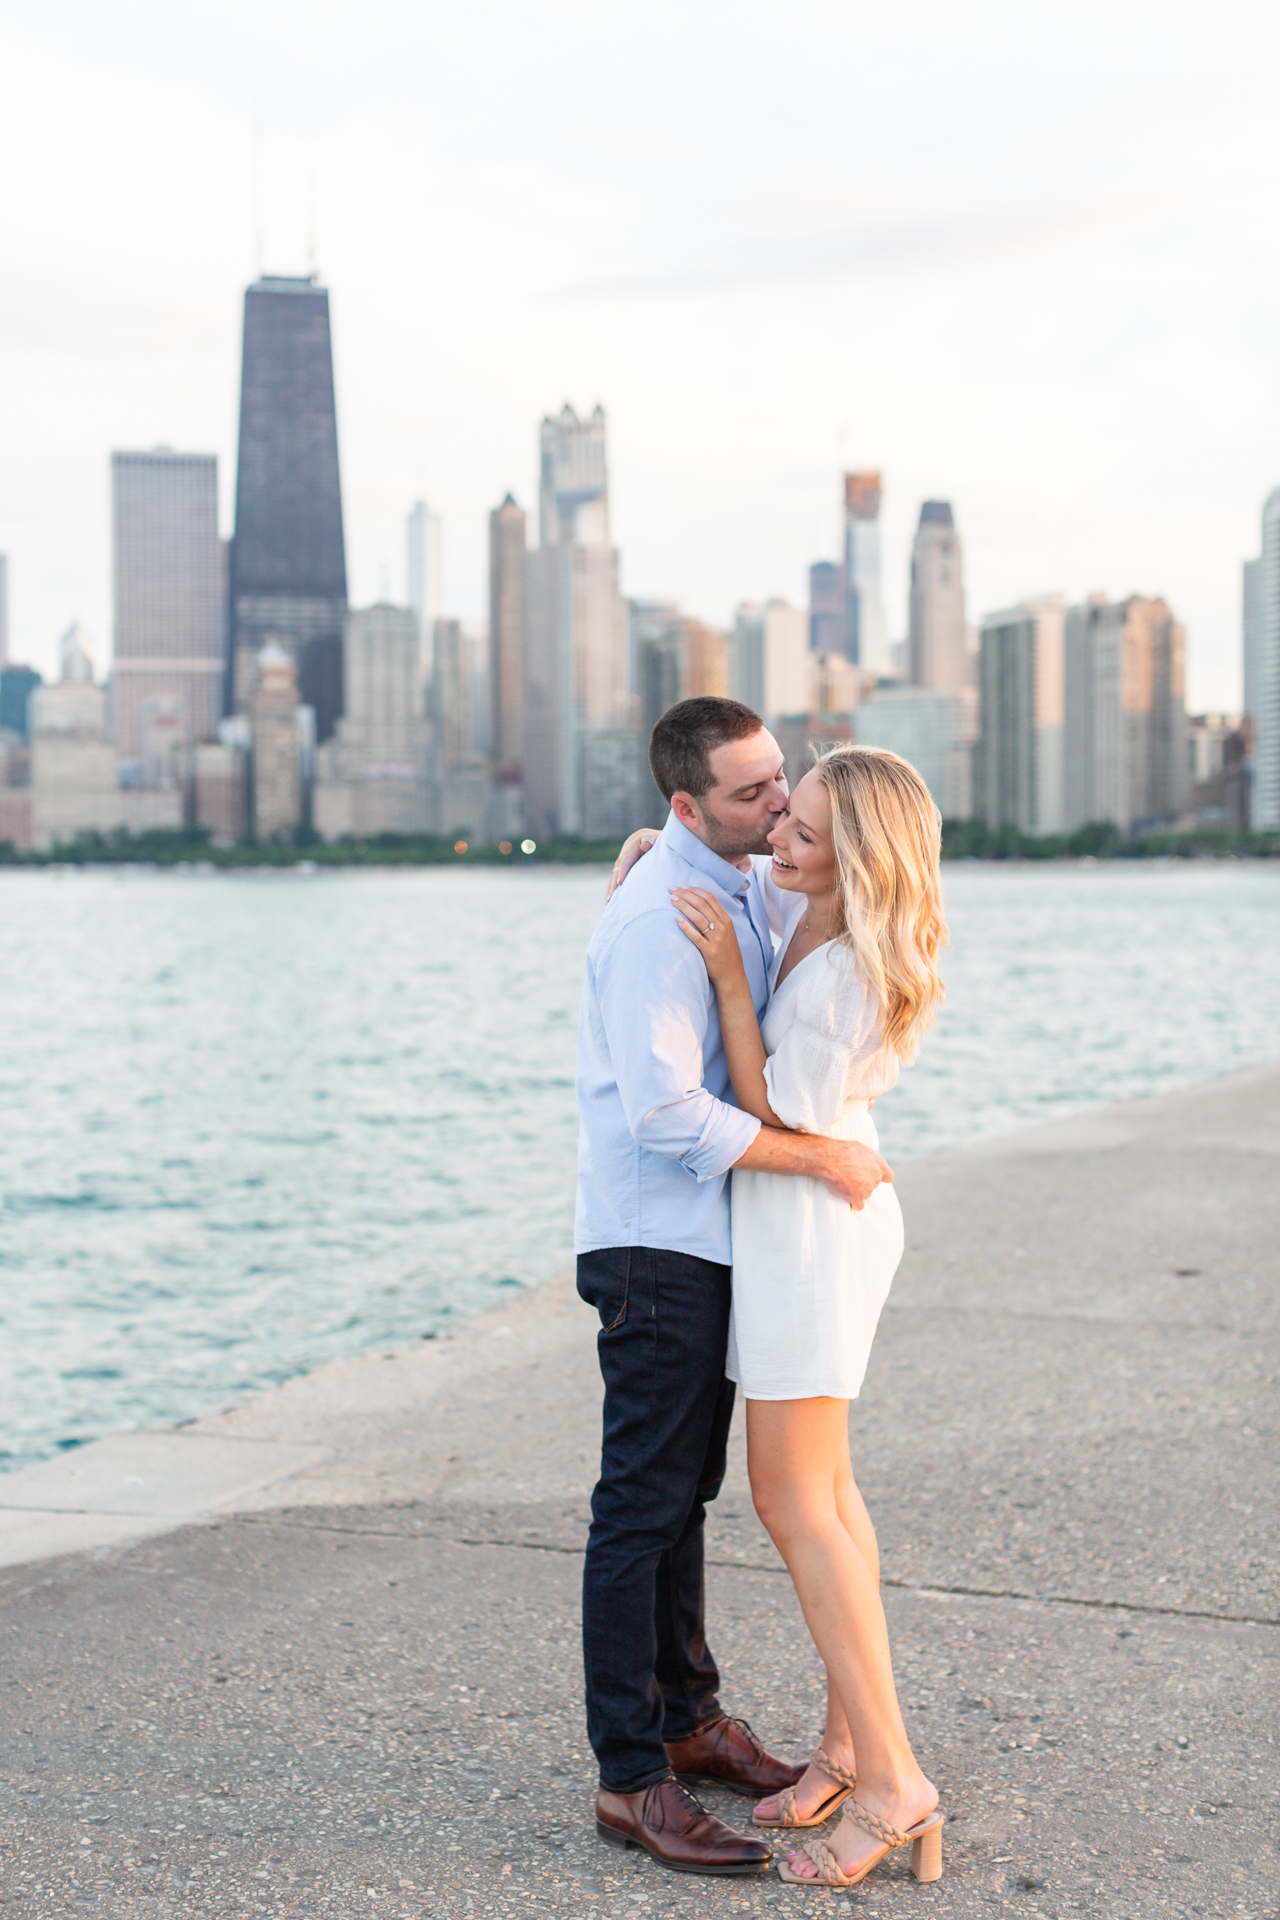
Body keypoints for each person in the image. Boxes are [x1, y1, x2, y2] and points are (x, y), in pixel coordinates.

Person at [576, 698, 894, 1879]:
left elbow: (819, 911)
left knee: (682, 1496)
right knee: (639, 1508)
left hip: (715, 1242)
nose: (774, 811)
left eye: (780, 787)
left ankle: (688, 1716)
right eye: (753, 795)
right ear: (683, 804)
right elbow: (664, 1114)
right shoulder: (665, 917)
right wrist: (819, 1156)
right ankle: (631, 1776)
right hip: (655, 1244)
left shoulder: (732, 879)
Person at [668, 744, 948, 1890]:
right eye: (779, 820)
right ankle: (845, 1745)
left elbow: (778, 1106)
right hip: (799, 1224)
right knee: (826, 1496)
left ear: (856, 861)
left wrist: (730, 984)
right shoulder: (810, 917)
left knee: (792, 1500)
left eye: (801, 834)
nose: (774, 839)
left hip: (814, 1233)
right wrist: (656, 848)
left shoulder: (842, 971)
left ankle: (892, 1783)